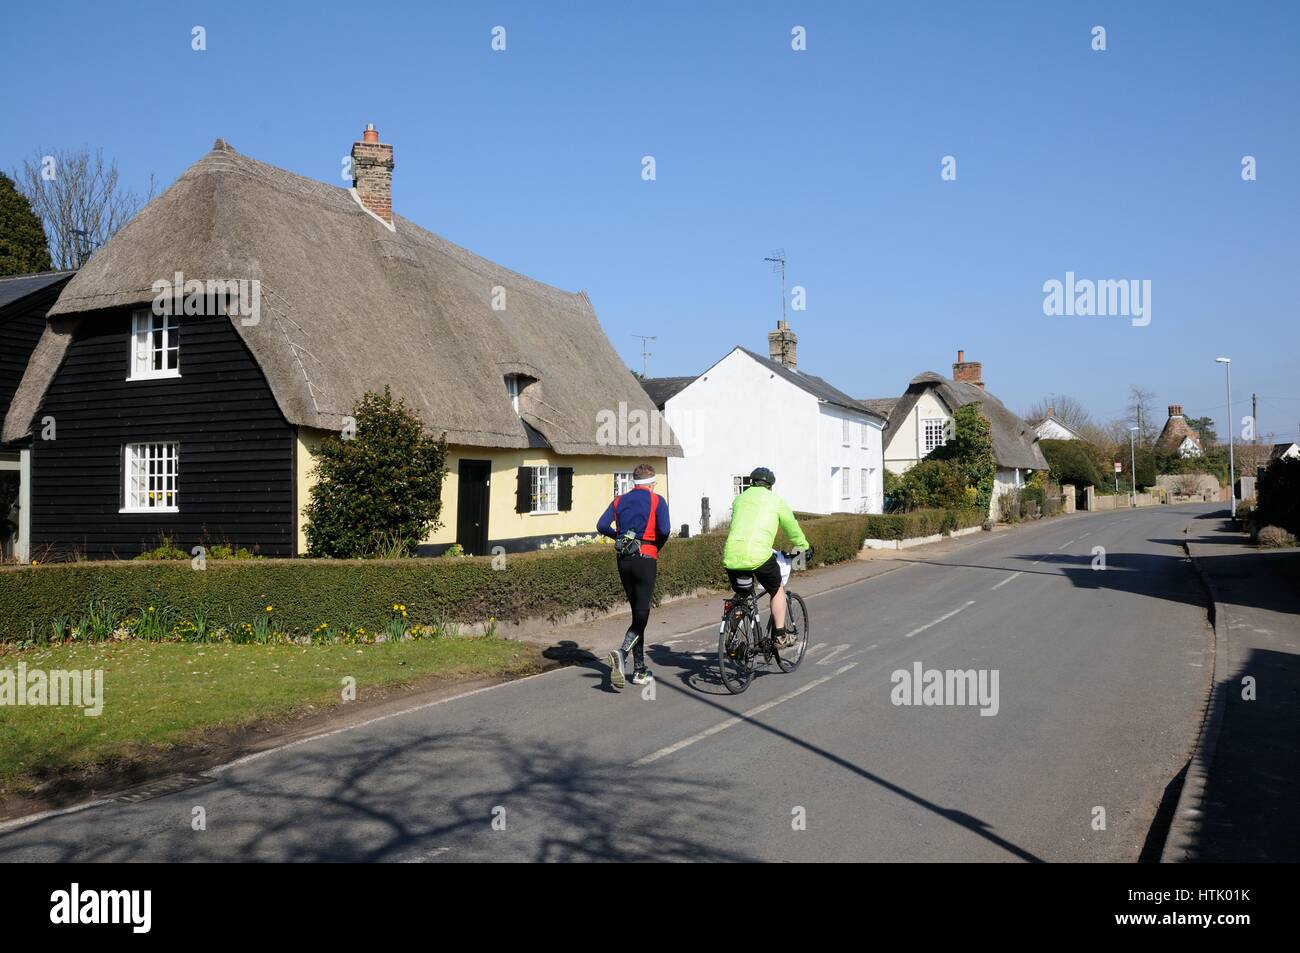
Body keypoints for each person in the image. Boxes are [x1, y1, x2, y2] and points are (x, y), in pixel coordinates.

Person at [596, 463, 671, 690]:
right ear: (651, 484)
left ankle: (639, 670)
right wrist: (655, 546)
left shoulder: (619, 501)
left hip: (624, 560)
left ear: (634, 482)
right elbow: (665, 530)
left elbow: (601, 525)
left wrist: (619, 536)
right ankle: (622, 653)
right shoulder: (657, 500)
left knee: (637, 615)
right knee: (641, 616)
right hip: (645, 558)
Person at [722, 467, 811, 649]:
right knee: (776, 588)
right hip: (759, 555)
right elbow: (791, 528)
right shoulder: (775, 501)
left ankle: (732, 629)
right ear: (770, 486)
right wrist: (803, 547)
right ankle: (780, 635)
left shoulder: (739, 499)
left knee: (743, 593)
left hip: (732, 554)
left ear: (752, 482)